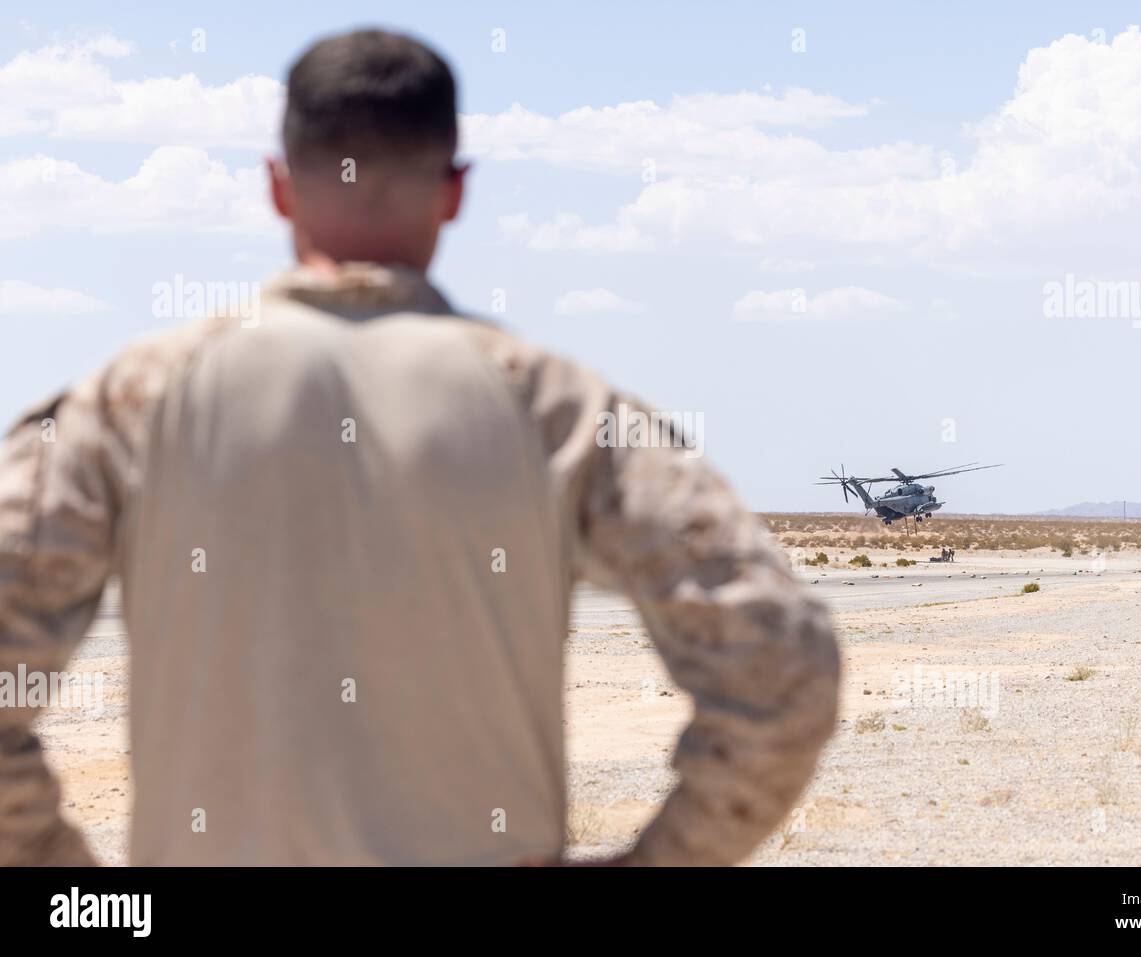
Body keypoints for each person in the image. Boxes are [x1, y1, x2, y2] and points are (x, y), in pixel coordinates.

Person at [0, 29, 839, 866]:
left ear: (278, 185)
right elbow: (783, 666)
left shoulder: (131, 403)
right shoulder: (556, 408)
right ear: (455, 191)